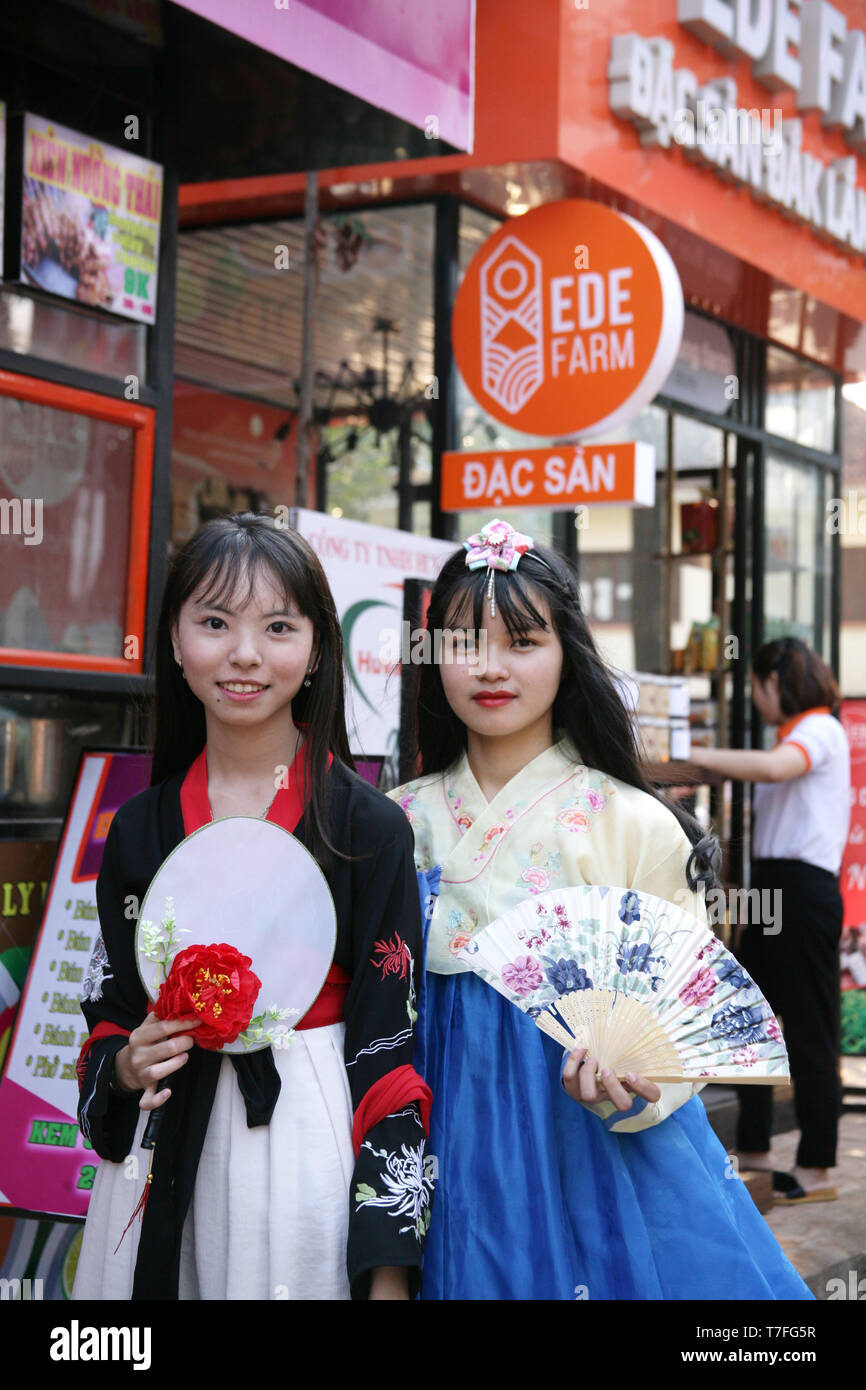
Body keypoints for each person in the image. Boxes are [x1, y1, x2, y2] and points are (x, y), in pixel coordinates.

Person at [388, 519, 811, 1301]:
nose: (490, 667)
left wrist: (634, 1079)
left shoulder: (635, 823)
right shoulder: (393, 822)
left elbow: (683, 1020)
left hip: (583, 1140)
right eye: (462, 641)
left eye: (522, 640)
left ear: (567, 653)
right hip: (431, 1121)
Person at [73, 513, 432, 1301]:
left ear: (314, 650)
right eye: (213, 622)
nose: (243, 654)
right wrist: (127, 1064)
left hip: (301, 1153)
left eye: (277, 626)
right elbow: (107, 1016)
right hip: (157, 1154)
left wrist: (389, 1270)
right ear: (172, 640)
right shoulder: (137, 829)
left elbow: (388, 1057)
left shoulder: (368, 829)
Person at [690, 637, 850, 1205]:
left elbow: (777, 769)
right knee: (745, 1011)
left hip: (802, 893)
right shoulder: (800, 730)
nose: (756, 698)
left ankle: (817, 1167)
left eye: (756, 686)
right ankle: (755, 1150)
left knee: (809, 1027)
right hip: (778, 889)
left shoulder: (818, 729)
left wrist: (699, 757)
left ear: (774, 682)